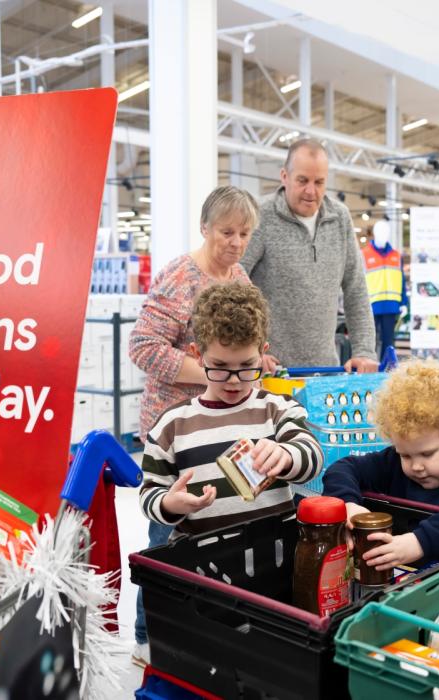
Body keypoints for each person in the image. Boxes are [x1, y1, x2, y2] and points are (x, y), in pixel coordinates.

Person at [126, 185, 258, 666]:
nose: (236, 243)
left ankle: (204, 627)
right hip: (175, 433)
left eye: (244, 233)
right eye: (227, 232)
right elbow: (143, 346)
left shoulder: (239, 277)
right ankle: (147, 637)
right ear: (205, 228)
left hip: (220, 426)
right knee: (167, 537)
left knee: (217, 527)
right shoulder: (180, 277)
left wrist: (255, 362)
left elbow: (241, 341)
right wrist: (212, 373)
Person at [139, 281, 324, 536]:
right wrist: (168, 504)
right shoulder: (171, 425)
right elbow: (149, 492)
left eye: (247, 365)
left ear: (263, 353)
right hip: (202, 555)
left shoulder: (278, 409)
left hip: (274, 551)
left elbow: (313, 456)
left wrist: (287, 454)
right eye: (220, 366)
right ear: (197, 355)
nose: (234, 380)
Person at [322, 360, 439, 570]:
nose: (416, 466)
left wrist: (421, 541)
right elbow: (342, 469)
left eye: (427, 454)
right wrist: (348, 504)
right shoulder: (392, 463)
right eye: (406, 455)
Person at [241, 138, 378, 372]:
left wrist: (364, 351)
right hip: (271, 372)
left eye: (319, 182)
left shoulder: (340, 218)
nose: (311, 191)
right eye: (302, 180)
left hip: (326, 371)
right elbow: (232, 287)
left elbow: (356, 290)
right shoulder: (260, 216)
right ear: (284, 176)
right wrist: (248, 351)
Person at [363, 220, 407, 362]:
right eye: (380, 231)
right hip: (371, 305)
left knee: (388, 342)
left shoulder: (396, 256)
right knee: (369, 341)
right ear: (374, 233)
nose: (384, 235)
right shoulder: (364, 254)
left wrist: (404, 302)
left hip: (391, 305)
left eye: (386, 232)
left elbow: (402, 280)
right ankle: (368, 368)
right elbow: (358, 282)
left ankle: (386, 369)